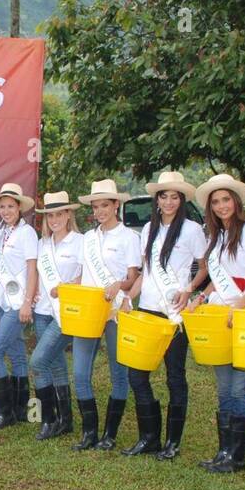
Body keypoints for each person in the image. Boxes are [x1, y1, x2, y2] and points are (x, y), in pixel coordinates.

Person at [122, 171, 208, 460]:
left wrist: (191, 289)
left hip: (175, 313)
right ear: (156, 200)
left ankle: (173, 441)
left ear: (181, 200)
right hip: (147, 309)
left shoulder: (193, 230)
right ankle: (149, 437)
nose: (169, 201)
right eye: (164, 196)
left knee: (175, 376)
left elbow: (205, 267)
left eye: (174, 196)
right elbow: (146, 272)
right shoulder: (148, 229)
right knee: (137, 374)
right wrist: (127, 297)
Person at [190, 173, 245, 474]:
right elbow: (220, 280)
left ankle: (237, 455)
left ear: (236, 201)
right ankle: (224, 451)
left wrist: (242, 304)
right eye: (216, 202)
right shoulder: (216, 236)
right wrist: (201, 296)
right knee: (223, 388)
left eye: (226, 200)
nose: (222, 206)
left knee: (240, 388)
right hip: (220, 316)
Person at [72, 179, 141, 450]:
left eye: (105, 205)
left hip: (116, 310)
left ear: (116, 205)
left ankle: (109, 435)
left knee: (118, 372)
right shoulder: (88, 238)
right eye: (96, 206)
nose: (100, 211)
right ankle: (89, 432)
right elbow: (80, 275)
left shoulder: (129, 238)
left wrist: (119, 285)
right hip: (89, 311)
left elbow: (133, 277)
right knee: (79, 373)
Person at [0, 183, 39, 431]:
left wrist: (27, 301)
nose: (6, 210)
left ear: (20, 208)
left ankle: (4, 413)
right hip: (4, 301)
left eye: (10, 206)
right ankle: (21, 409)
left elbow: (31, 268)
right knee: (16, 355)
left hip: (19, 304)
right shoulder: (2, 232)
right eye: (2, 206)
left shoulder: (27, 234)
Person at [29, 191, 84, 441]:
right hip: (42, 311)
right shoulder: (42, 244)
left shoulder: (81, 242)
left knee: (37, 362)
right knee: (55, 365)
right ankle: (65, 420)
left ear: (68, 214)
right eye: (50, 215)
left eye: (59, 214)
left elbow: (86, 275)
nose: (54, 219)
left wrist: (68, 286)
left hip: (66, 314)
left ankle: (48, 420)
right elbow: (37, 274)